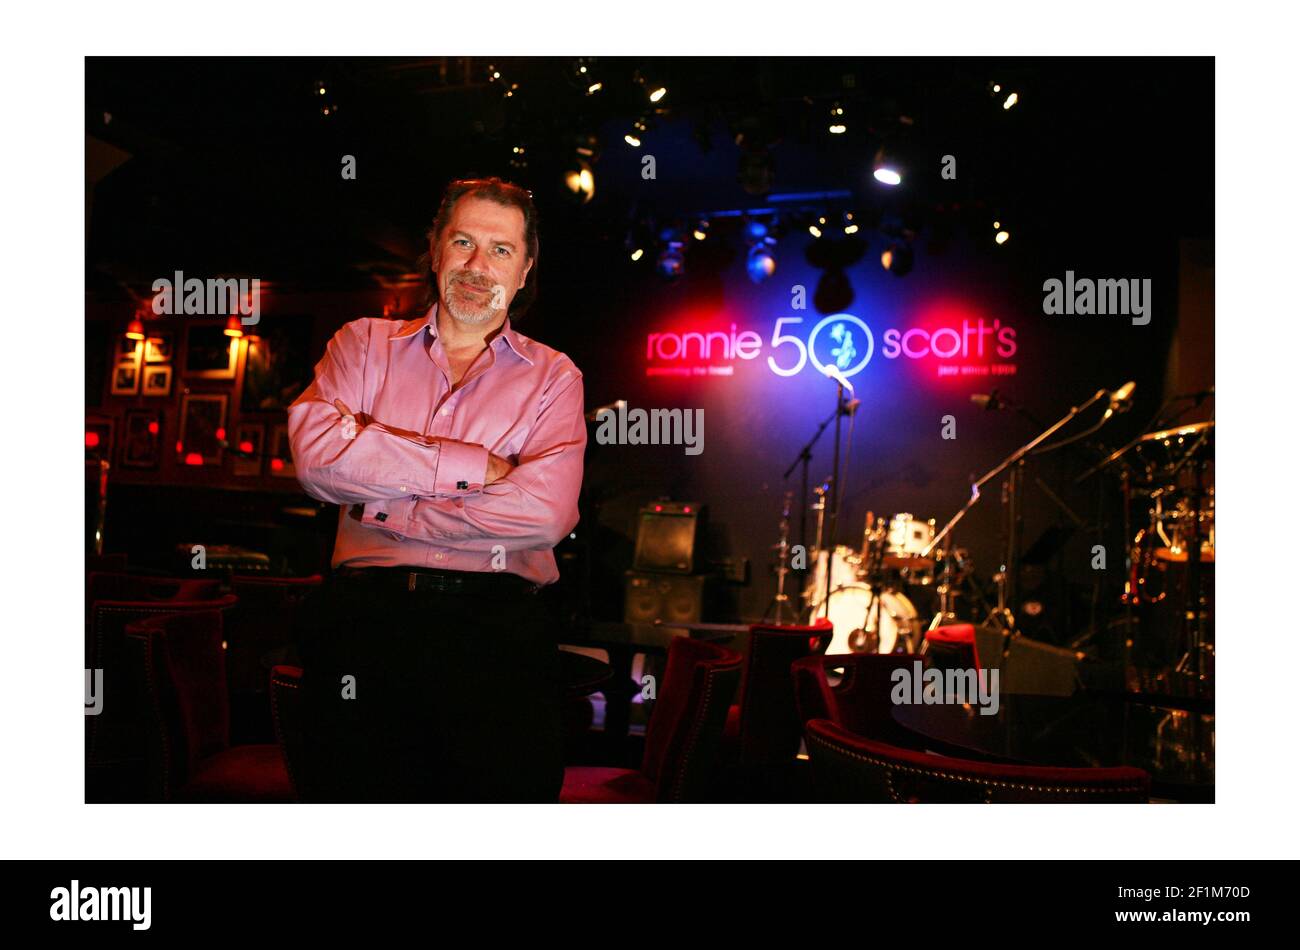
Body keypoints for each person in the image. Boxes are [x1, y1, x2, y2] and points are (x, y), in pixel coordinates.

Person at [287, 177, 586, 802]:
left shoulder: (556, 378)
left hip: (499, 635)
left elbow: (546, 516)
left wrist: (381, 500)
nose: (479, 266)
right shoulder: (361, 345)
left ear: (526, 269)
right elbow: (318, 463)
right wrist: (479, 469)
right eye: (464, 242)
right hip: (365, 627)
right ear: (435, 250)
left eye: (501, 250)